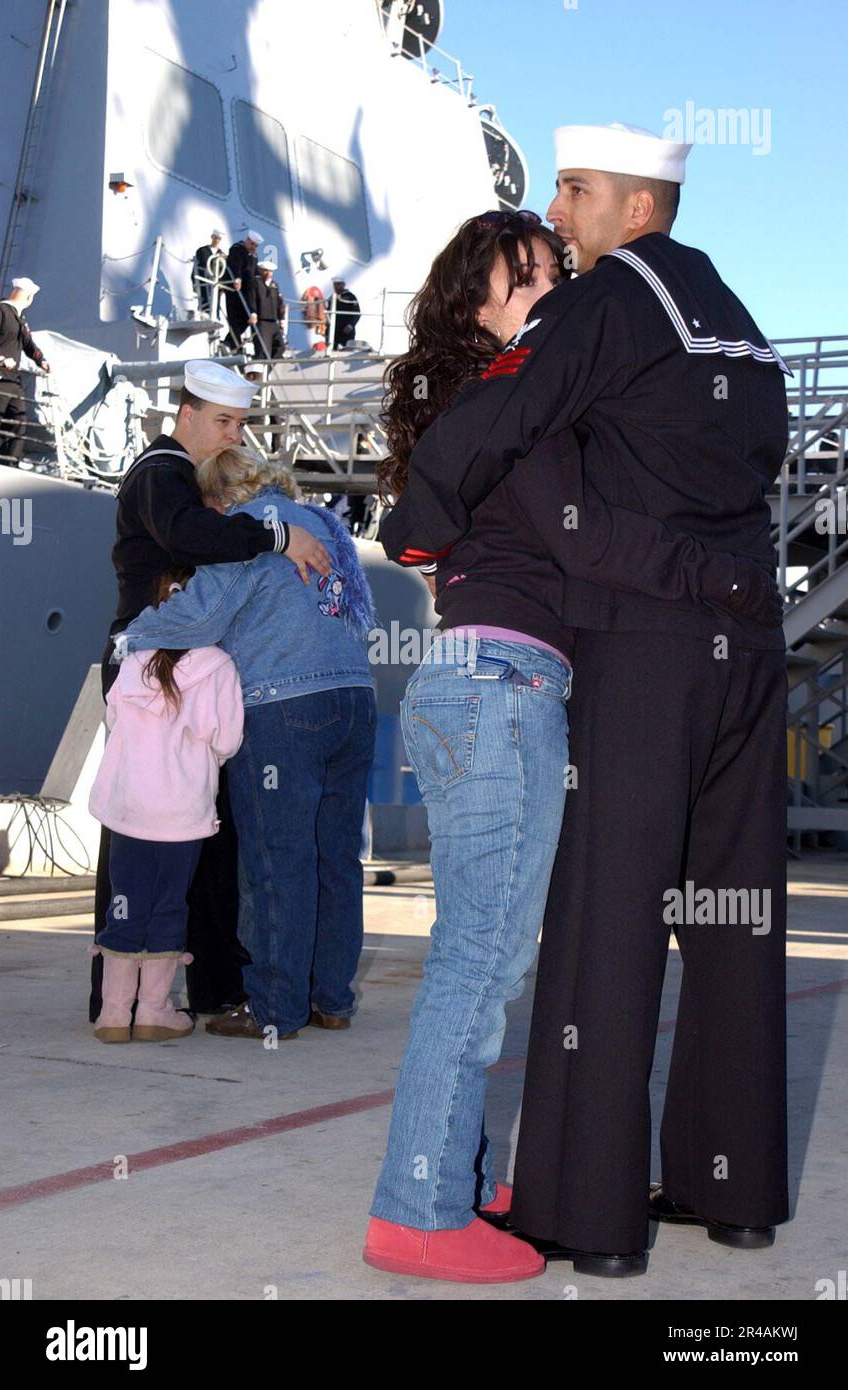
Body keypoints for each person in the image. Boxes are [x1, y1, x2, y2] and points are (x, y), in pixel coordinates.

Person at [378, 123, 791, 1276]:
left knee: (607, 931)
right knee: (735, 921)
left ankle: (594, 1216)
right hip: (749, 654)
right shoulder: (745, 332)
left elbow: (496, 427)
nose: (559, 215)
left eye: (575, 193)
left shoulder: (607, 303)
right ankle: (735, 1185)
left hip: (642, 649)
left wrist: (413, 521)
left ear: (634, 209)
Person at [91, 360, 332, 1023]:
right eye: (222, 421)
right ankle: (204, 986)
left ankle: (132, 1000)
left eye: (240, 423)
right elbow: (187, 535)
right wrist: (277, 536)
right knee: (188, 824)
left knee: (146, 825)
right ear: (186, 415)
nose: (233, 435)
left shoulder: (161, 475)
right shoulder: (162, 473)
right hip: (161, 658)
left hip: (157, 660)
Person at [115, 447, 377, 1042]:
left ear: (219, 500)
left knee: (275, 861)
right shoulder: (323, 526)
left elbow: (199, 618)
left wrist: (133, 635)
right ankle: (330, 999)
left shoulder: (249, 531)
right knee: (336, 859)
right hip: (355, 700)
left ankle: (273, 1009)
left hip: (286, 707)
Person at [89, 569, 244, 1043]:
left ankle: (114, 1013)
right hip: (181, 810)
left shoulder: (133, 659)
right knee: (170, 907)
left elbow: (114, 718)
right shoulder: (218, 665)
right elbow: (229, 740)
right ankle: (155, 1009)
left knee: (125, 903)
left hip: (129, 806)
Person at [0, 277, 50, 466]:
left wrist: (41, 360)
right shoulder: (1, 311)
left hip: (13, 381)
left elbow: (27, 344)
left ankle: (9, 463)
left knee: (18, 421)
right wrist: (1, 358)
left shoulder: (20, 320)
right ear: (28, 298)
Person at [224, 230, 262, 349]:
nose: (254, 248)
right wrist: (237, 278)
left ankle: (230, 341)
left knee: (246, 318)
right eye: (252, 245)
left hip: (246, 291)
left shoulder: (254, 256)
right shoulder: (237, 249)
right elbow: (235, 265)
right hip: (234, 290)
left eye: (256, 246)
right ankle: (231, 343)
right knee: (234, 318)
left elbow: (254, 272)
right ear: (247, 241)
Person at [252, 260, 286, 360]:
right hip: (261, 321)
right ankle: (260, 371)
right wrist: (253, 313)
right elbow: (252, 299)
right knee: (262, 349)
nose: (268, 274)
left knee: (280, 347)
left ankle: (269, 370)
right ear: (260, 270)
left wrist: (281, 319)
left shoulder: (274, 285)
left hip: (273, 321)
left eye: (270, 271)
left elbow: (279, 303)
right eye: (265, 271)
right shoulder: (255, 283)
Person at [192, 230, 226, 316]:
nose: (216, 240)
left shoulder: (221, 254)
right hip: (204, 281)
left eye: (218, 239)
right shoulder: (202, 250)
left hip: (216, 284)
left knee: (215, 304)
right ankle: (203, 315)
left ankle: (215, 317)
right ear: (212, 237)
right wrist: (194, 282)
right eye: (215, 238)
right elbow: (204, 263)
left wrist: (222, 284)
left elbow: (223, 270)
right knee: (204, 301)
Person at [329, 278, 360, 350]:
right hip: (334, 330)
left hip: (346, 330)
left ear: (343, 285)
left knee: (346, 349)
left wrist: (350, 325)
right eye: (335, 285)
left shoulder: (350, 297)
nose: (336, 286)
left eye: (339, 284)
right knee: (333, 348)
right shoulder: (332, 298)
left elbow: (357, 313)